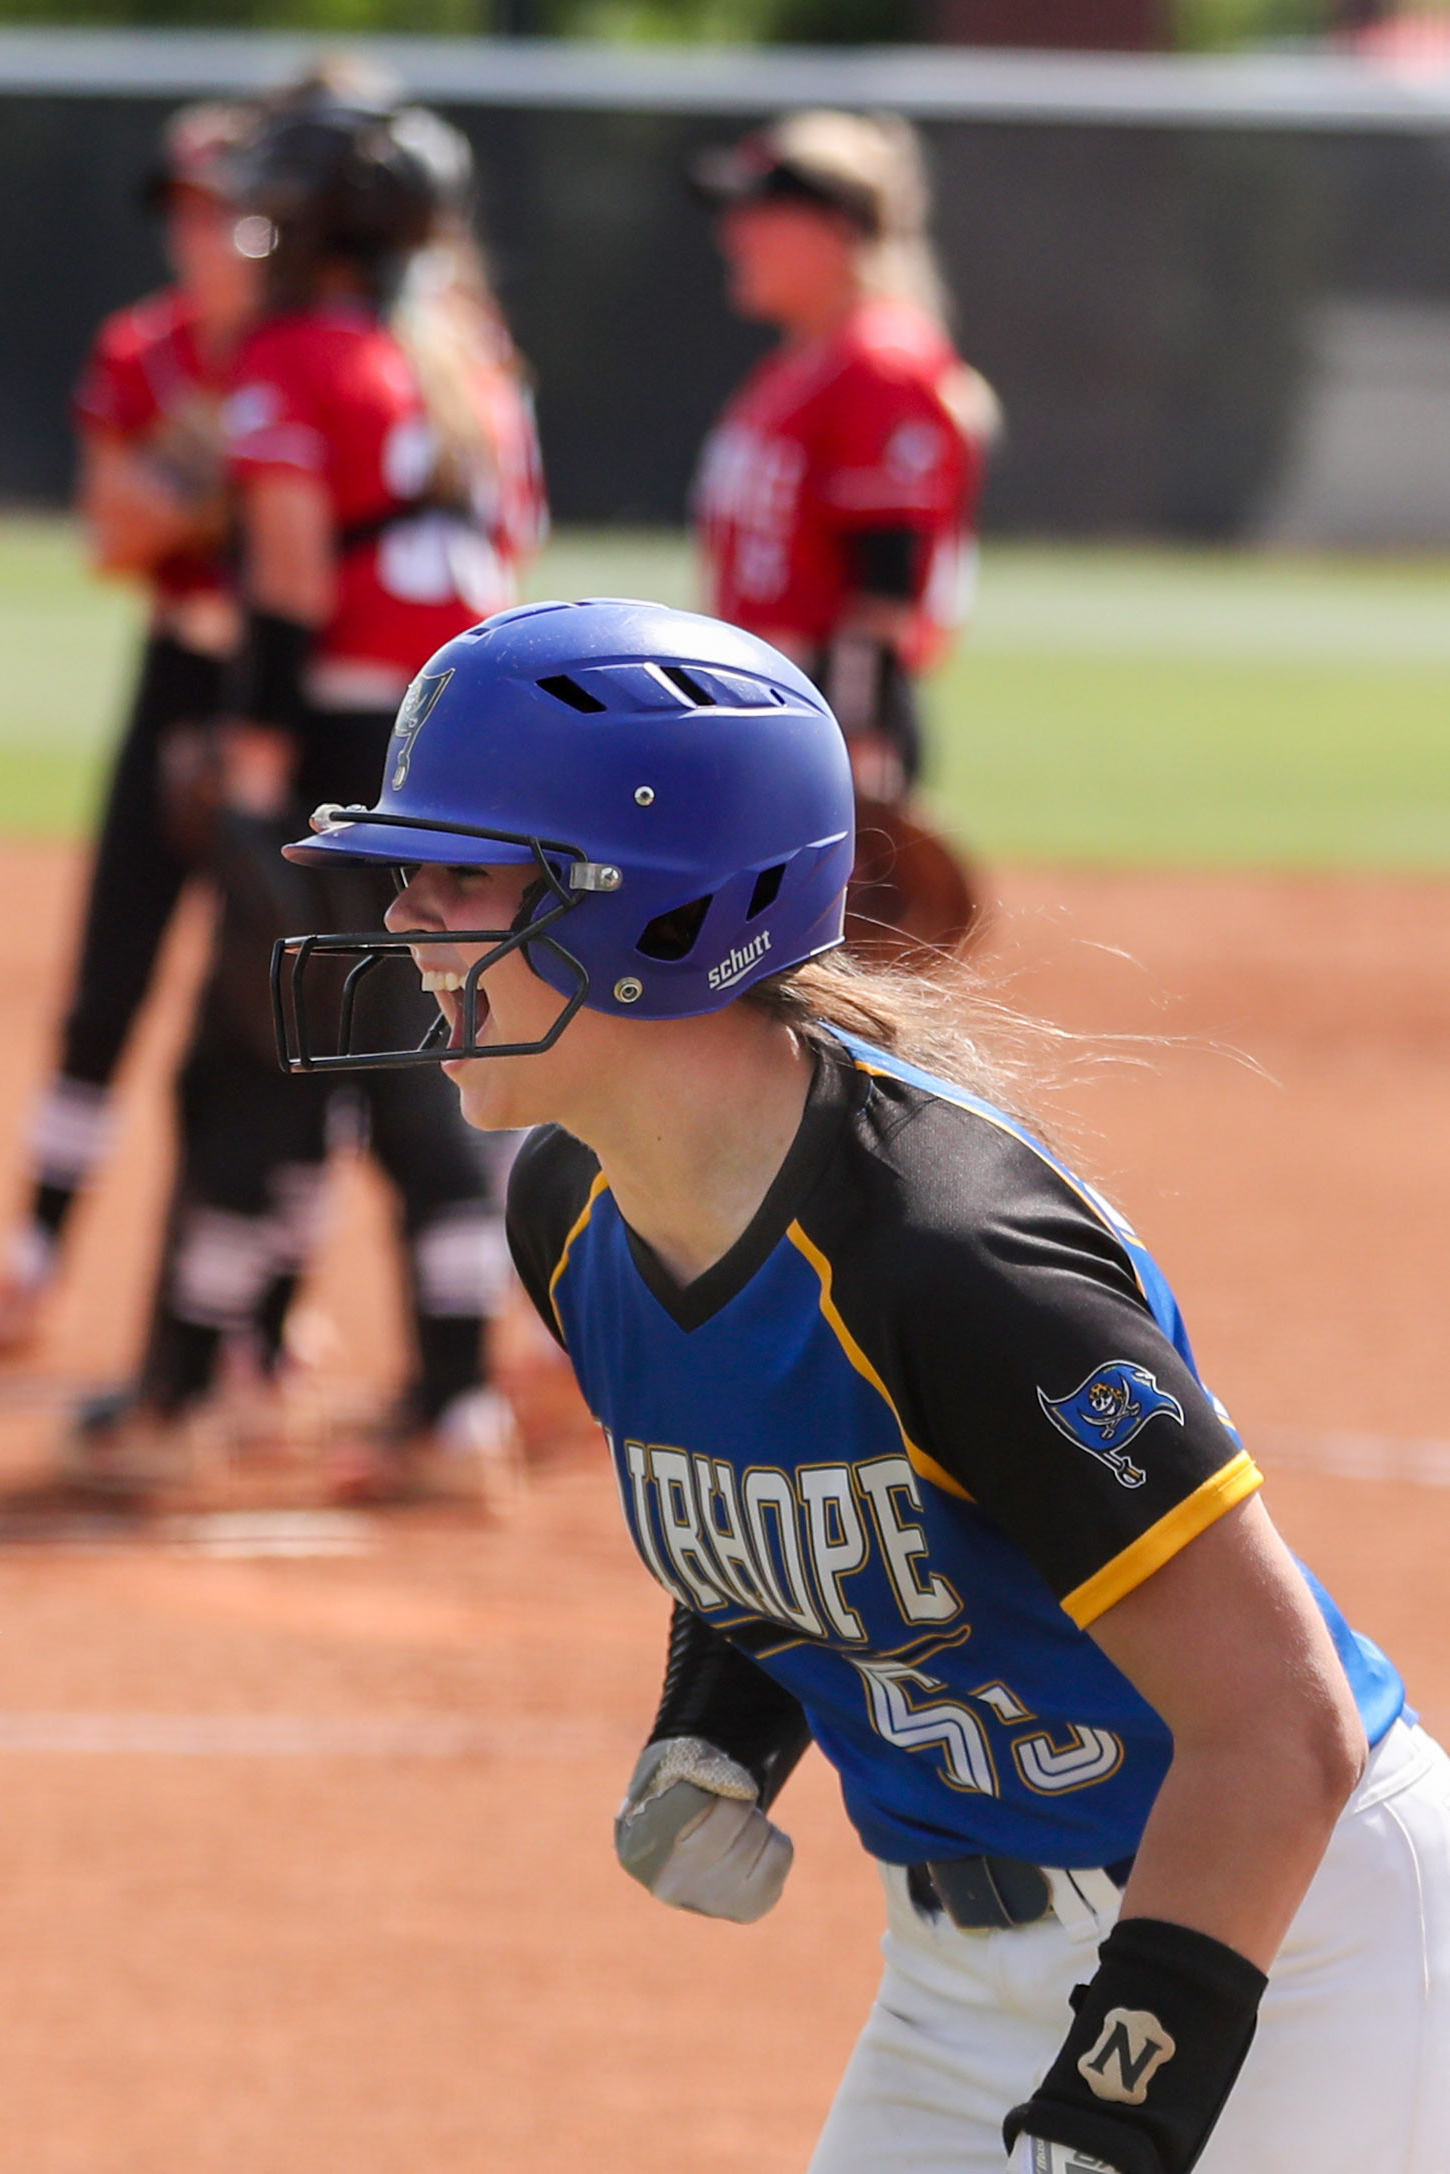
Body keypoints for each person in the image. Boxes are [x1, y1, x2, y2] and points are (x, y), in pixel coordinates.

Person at [271, 595, 1447, 2173]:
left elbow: (1278, 1725)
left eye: (458, 871)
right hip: (957, 1973)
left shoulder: (951, 1262)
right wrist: (726, 1721)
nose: (407, 915)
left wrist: (1123, 2104)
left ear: (653, 914)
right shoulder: (576, 1208)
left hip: (1273, 1938)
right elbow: (792, 1479)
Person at [70, 93, 545, 1504]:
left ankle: (181, 1399)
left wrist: (252, 764)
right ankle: (456, 1405)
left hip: (339, 761)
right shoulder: (470, 361)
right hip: (469, 757)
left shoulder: (297, 354)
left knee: (257, 1072)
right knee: (430, 1079)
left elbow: (285, 578)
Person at [0, 100, 257, 1371]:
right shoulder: (144, 348)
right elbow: (109, 535)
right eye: (185, 209)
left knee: (267, 1001)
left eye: (224, 207)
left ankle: (261, 1298)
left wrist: (186, 481)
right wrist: (237, 470)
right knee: (108, 980)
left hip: (281, 698)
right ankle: (32, 1264)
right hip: (181, 675)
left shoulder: (309, 348)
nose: (200, 233)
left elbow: (167, 508)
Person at [689, 111, 997, 956]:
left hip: (826, 721)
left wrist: (857, 773)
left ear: (834, 226)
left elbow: (885, 592)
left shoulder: (879, 364)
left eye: (758, 209)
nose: (733, 232)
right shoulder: (800, 365)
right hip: (772, 713)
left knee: (816, 988)